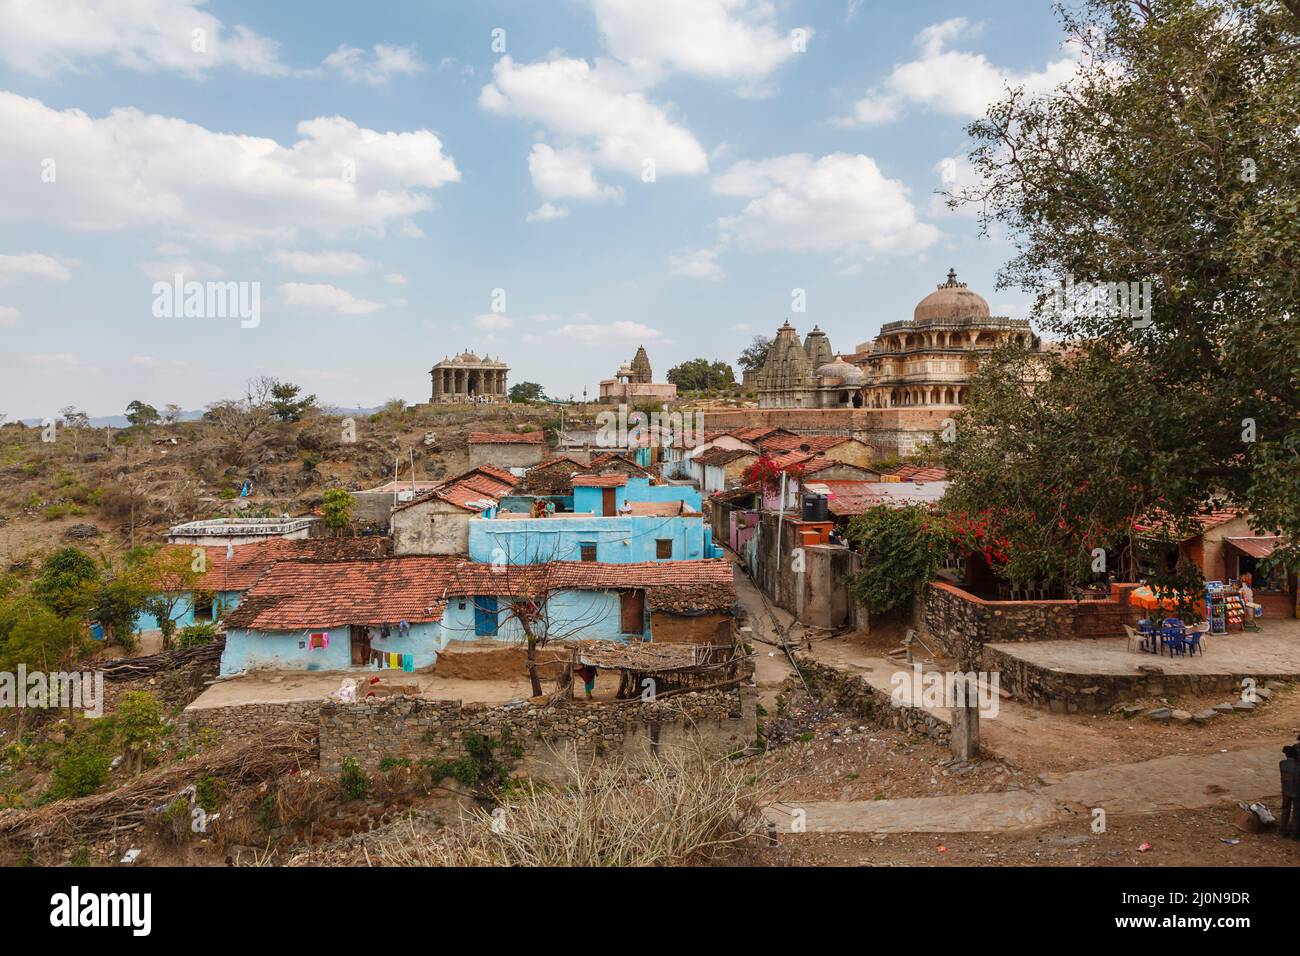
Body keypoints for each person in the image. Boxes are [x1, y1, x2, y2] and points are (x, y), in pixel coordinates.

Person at [1280, 744, 1300, 839]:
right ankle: (1294, 834)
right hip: (1297, 792)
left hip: (1286, 790)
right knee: (1296, 813)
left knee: (1285, 810)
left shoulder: (1282, 763)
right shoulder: (1298, 766)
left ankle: (1282, 830)